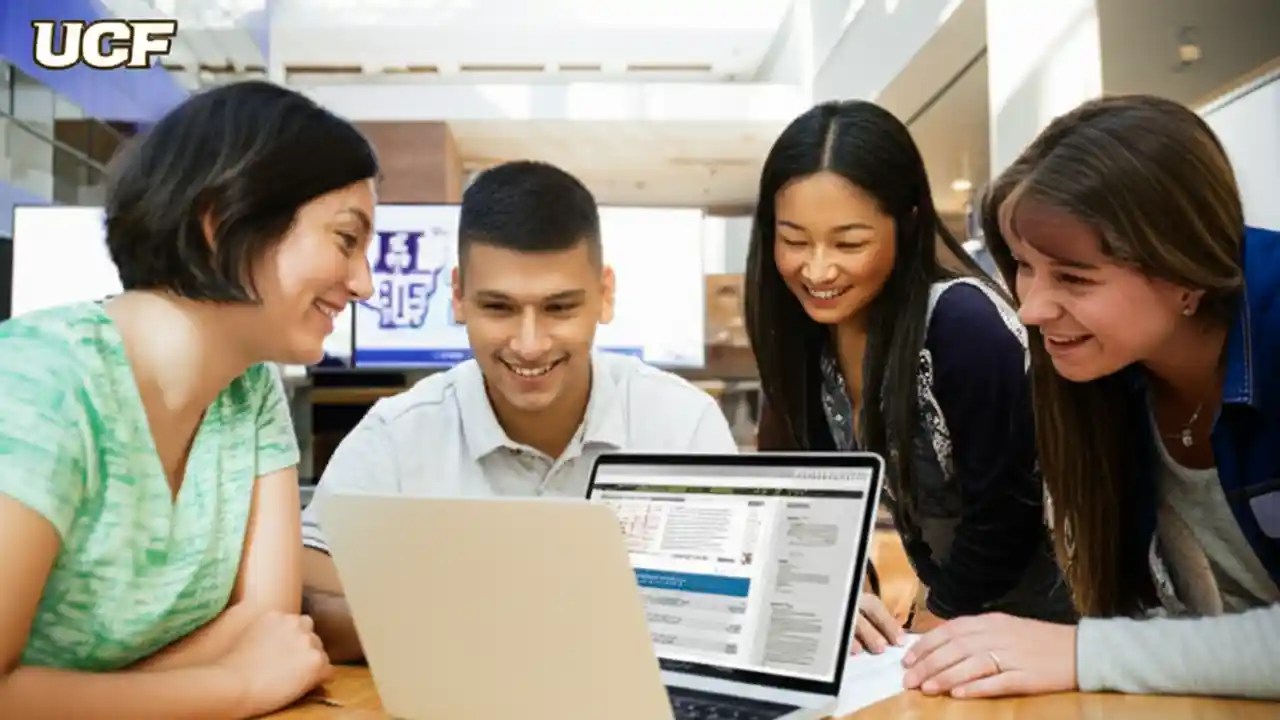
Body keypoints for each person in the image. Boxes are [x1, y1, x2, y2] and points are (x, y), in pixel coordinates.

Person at [0, 80, 379, 718]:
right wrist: (234, 686)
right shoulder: (39, 376)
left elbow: (270, 629)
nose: (363, 283)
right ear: (222, 222)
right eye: (346, 240)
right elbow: (261, 667)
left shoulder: (249, 392)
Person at [902, 94, 1280, 700]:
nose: (1030, 307)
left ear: (1185, 270)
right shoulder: (1104, 376)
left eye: (1074, 278)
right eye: (1023, 265)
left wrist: (1087, 650)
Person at [301, 160, 738, 662]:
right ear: (459, 295)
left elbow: (721, 617)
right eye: (499, 308)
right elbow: (312, 603)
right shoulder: (397, 435)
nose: (529, 345)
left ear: (605, 294)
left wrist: (426, 611)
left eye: (559, 308)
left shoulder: (683, 424)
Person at [745, 100, 1075, 655]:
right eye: (795, 240)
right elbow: (804, 504)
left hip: (1051, 630)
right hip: (953, 628)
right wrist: (845, 602)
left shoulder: (961, 322)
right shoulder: (801, 338)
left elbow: (1007, 512)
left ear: (909, 224)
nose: (818, 269)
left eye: (849, 242)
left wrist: (931, 619)